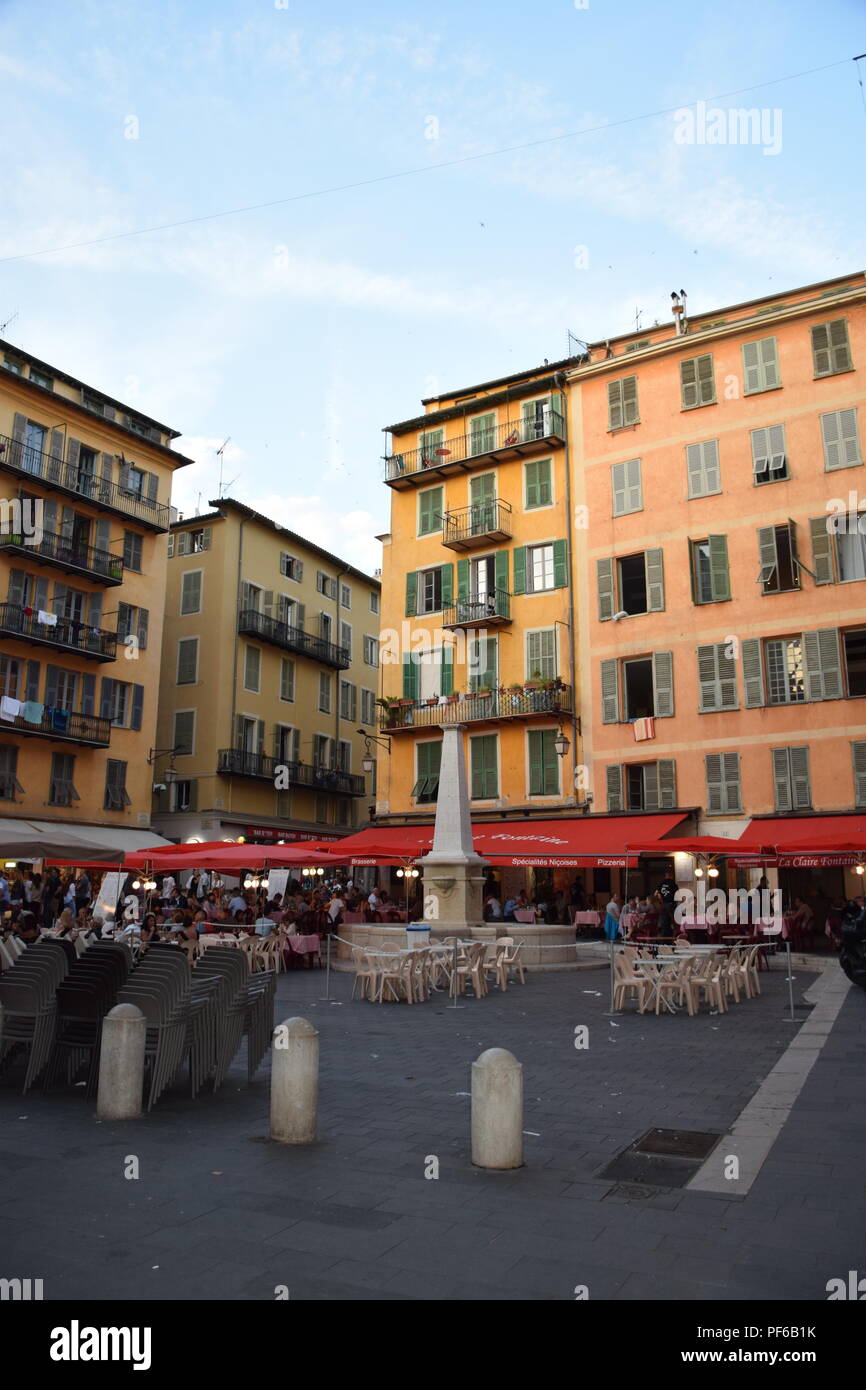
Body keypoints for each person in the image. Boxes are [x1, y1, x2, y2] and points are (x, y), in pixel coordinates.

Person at [656, 867, 678, 937]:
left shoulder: (661, 883)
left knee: (664, 920)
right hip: (671, 904)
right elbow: (677, 894)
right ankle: (672, 935)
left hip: (664, 904)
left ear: (665, 876)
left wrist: (661, 900)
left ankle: (663, 935)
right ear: (671, 876)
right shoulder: (673, 884)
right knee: (672, 920)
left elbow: (656, 894)